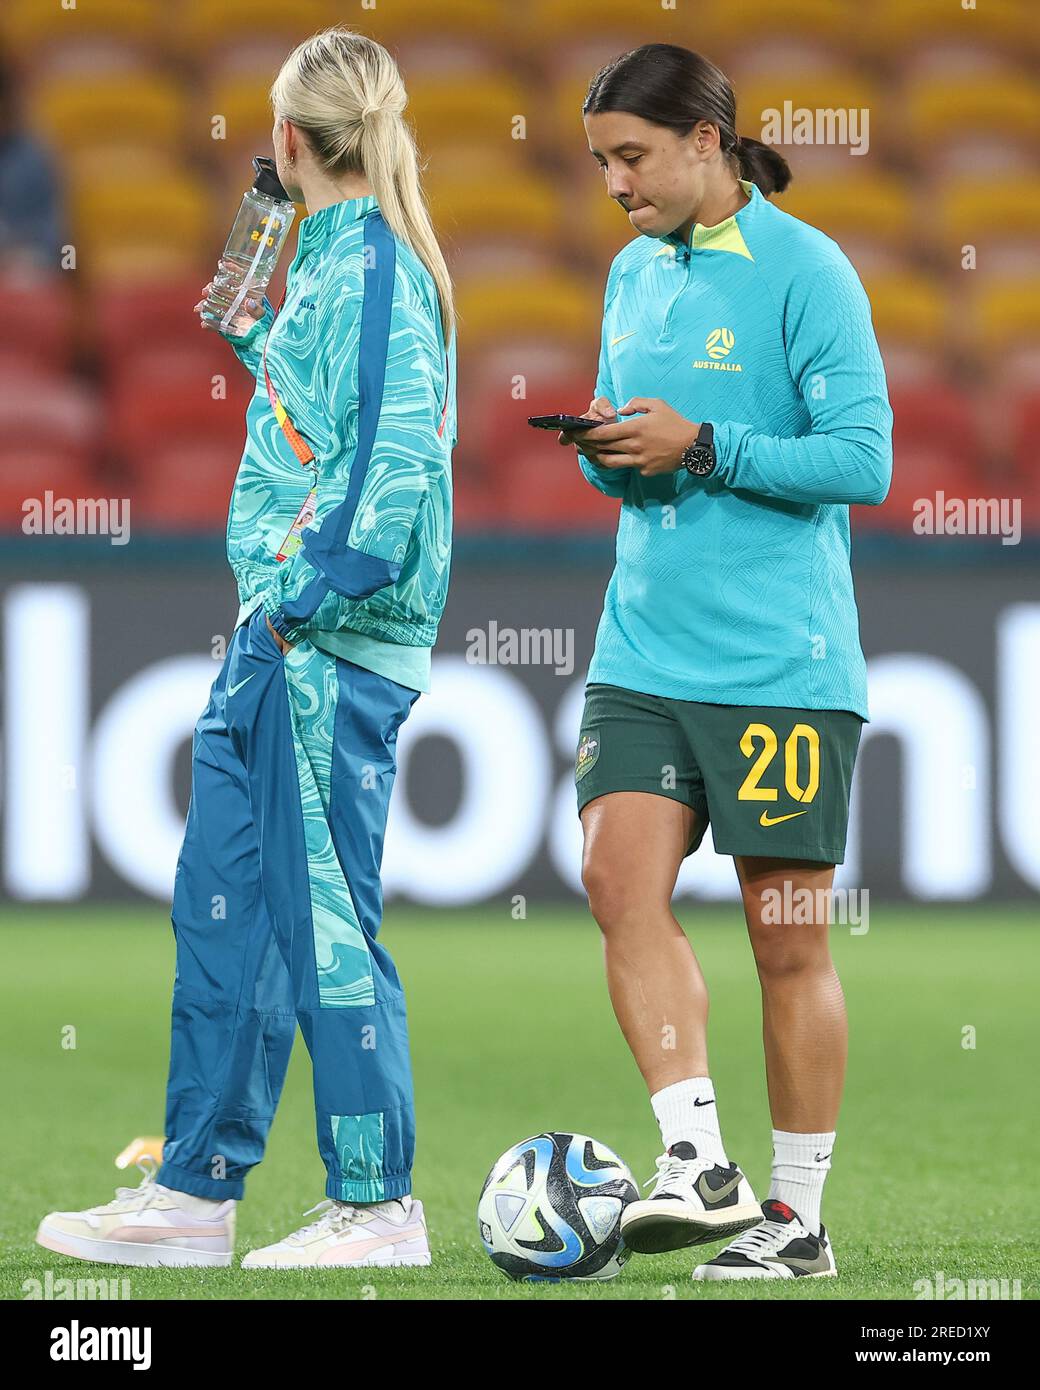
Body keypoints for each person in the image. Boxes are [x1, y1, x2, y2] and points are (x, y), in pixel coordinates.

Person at [36, 28, 456, 1271]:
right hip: (273, 639)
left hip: (320, 642)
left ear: (287, 133)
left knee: (321, 916)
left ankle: (378, 1206)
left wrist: (295, 605)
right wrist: (265, 215)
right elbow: (233, 321)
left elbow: (392, 476)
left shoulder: (378, 276)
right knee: (228, 915)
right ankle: (193, 1192)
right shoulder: (331, 266)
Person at [562, 44, 891, 1280]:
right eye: (600, 162)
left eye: (632, 157)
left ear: (706, 143)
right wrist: (604, 449)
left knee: (785, 938)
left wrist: (701, 447)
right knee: (611, 877)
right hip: (642, 641)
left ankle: (796, 1222)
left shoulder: (807, 272)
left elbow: (860, 461)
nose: (614, 185)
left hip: (779, 665)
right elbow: (626, 432)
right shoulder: (629, 274)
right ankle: (697, 1164)